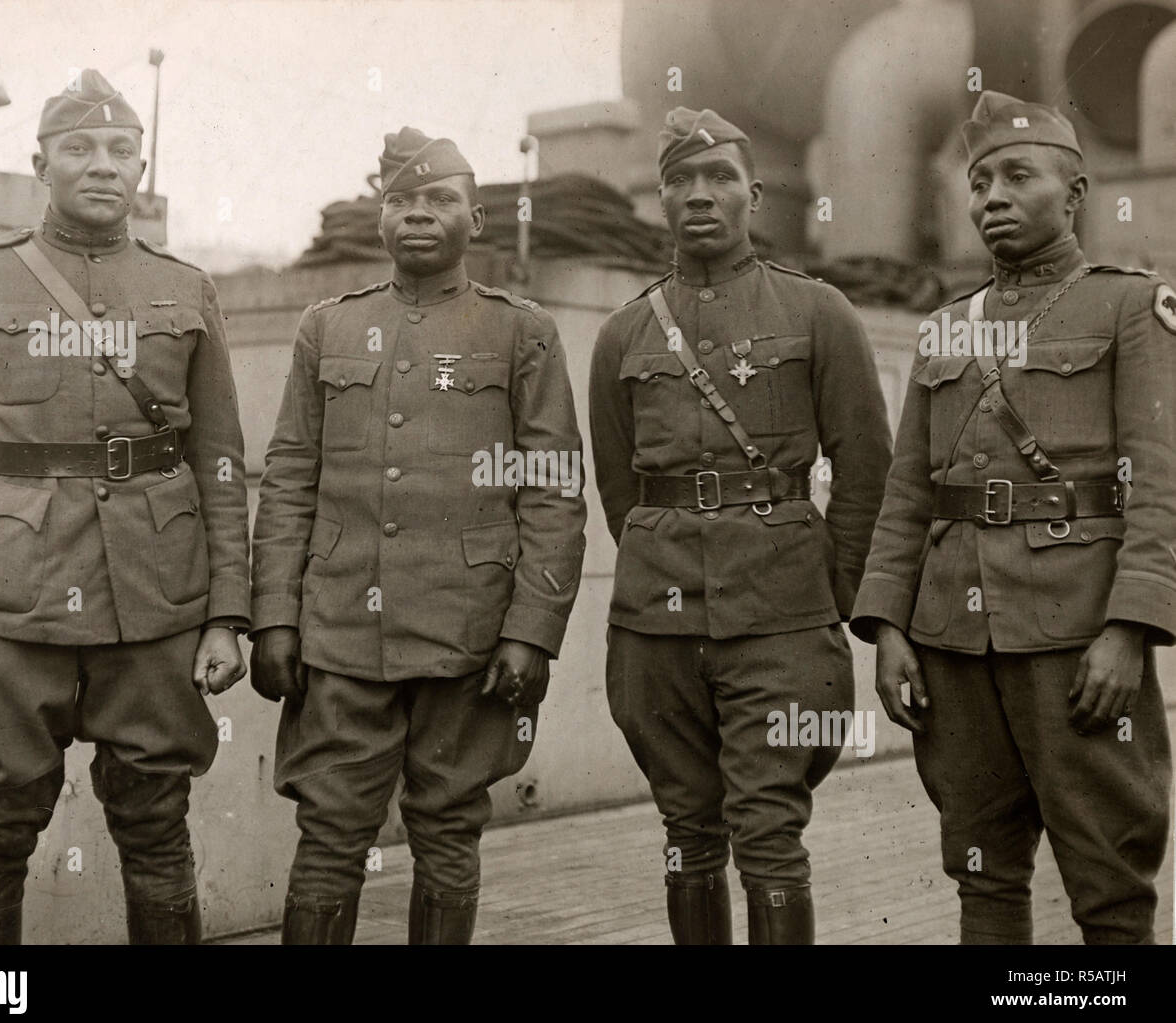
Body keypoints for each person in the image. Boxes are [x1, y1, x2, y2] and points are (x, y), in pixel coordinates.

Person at [0, 69, 250, 945]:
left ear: (141, 168)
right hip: (9, 606)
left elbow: (222, 464)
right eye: (79, 148)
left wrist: (227, 615)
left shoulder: (188, 287)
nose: (103, 165)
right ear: (41, 164)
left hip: (157, 601)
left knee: (157, 827)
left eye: (121, 150)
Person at [851, 90, 1176, 944]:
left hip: (1078, 640)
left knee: (1108, 885)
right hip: (955, 645)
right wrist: (887, 627)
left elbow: (1160, 484)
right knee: (983, 876)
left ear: (1073, 195)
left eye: (1017, 175)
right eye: (980, 177)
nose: (990, 194)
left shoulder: (1131, 307)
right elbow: (908, 495)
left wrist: (1129, 630)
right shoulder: (944, 331)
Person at [249, 127, 587, 944]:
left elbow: (553, 494)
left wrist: (530, 632)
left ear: (476, 216)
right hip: (340, 636)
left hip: (467, 637)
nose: (418, 215)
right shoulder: (327, 328)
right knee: (329, 834)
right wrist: (275, 617)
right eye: (400, 201)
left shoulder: (522, 332)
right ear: (379, 220)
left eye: (439, 200)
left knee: (447, 830)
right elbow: (290, 476)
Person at [589, 107, 893, 944]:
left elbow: (867, 467)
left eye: (719, 177)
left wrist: (826, 590)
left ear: (754, 195)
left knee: (769, 834)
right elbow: (622, 489)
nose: (700, 194)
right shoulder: (623, 334)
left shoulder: (818, 312)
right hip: (659, 624)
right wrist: (666, 562)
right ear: (658, 200)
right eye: (681, 180)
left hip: (783, 614)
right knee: (688, 832)